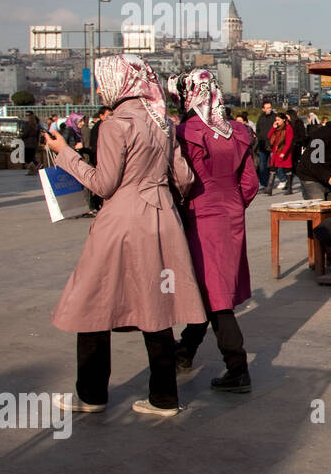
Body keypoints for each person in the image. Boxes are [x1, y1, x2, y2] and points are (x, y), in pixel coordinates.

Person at [45, 53, 207, 417]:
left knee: (93, 302)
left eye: (103, 82)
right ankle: (164, 397)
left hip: (122, 221)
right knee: (158, 307)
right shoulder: (162, 121)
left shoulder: (116, 124)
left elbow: (103, 184)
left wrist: (66, 154)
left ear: (119, 83)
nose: (101, 89)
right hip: (163, 218)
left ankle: (91, 394)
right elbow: (183, 178)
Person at [168, 69, 259, 393]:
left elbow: (182, 181)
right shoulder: (237, 132)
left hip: (201, 215)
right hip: (232, 216)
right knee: (214, 289)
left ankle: (237, 366)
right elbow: (250, 184)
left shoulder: (185, 132)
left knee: (215, 295)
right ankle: (186, 350)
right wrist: (231, 205)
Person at [265, 112, 294, 194]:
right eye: (276, 120)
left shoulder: (288, 128)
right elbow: (269, 136)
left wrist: (284, 153)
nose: (277, 121)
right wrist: (273, 127)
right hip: (275, 151)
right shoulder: (277, 128)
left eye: (279, 120)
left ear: (284, 120)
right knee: (273, 169)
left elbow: (288, 142)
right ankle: (269, 189)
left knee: (287, 169)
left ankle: (289, 188)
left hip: (284, 152)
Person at [254, 99, 276, 188]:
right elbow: (258, 130)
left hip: (272, 144)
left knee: (274, 164)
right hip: (262, 144)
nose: (269, 109)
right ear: (263, 109)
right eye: (267, 108)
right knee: (263, 164)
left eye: (270, 108)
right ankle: (263, 183)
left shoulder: (274, 117)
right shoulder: (261, 118)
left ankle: (281, 180)